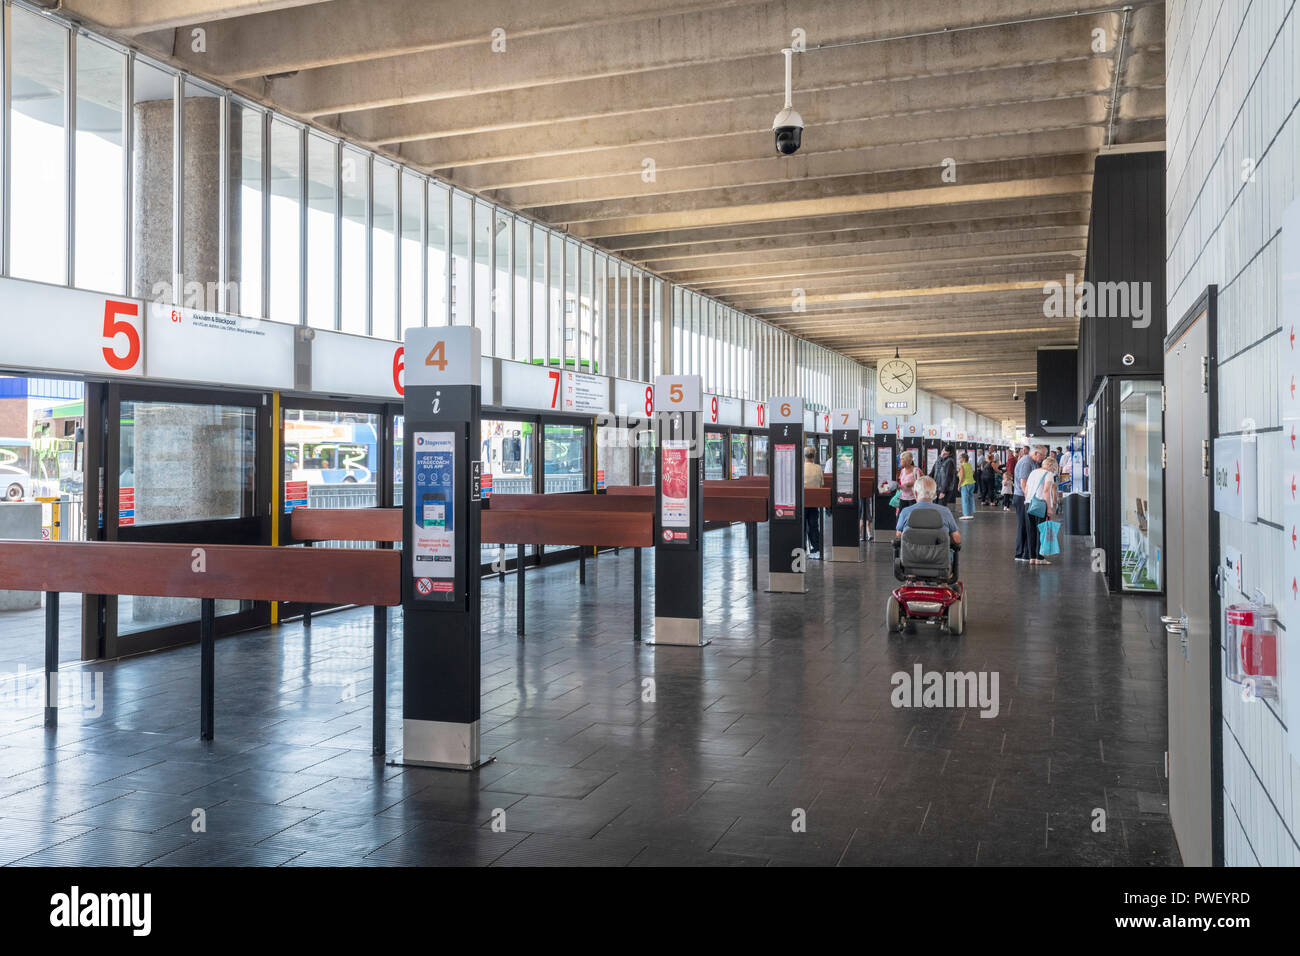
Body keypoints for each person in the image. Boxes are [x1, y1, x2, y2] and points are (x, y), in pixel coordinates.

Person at [896, 476, 962, 570]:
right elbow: (957, 539)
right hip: (940, 561)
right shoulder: (945, 512)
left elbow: (899, 536)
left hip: (911, 561)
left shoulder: (905, 512)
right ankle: (943, 583)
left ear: (915, 493)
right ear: (934, 494)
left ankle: (915, 582)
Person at [1024, 455, 1060, 565]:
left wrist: (1028, 500)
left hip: (1029, 504)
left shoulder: (1033, 472)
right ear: (1052, 466)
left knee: (1031, 532)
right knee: (1042, 531)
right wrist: (1049, 508)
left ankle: (1032, 558)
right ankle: (1040, 559)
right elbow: (1045, 492)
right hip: (1041, 505)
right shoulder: (1048, 474)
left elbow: (1026, 489)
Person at [1013, 444, 1047, 562]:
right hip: (1022, 497)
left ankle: (1026, 553)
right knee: (1023, 525)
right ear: (1036, 453)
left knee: (1027, 526)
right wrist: (1029, 499)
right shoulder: (1026, 462)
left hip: (1026, 497)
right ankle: (1020, 553)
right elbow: (1024, 483)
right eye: (1042, 455)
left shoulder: (1033, 462)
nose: (1043, 458)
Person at [803, 446, 824, 557]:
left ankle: (802, 549)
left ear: (804, 455)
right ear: (814, 456)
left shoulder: (800, 468)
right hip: (815, 501)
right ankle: (816, 549)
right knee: (814, 526)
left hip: (802, 502)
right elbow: (821, 484)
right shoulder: (818, 468)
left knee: (802, 526)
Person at [896, 450, 921, 515]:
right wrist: (897, 486)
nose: (900, 461)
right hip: (903, 497)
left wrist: (912, 484)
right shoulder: (902, 471)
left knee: (912, 517)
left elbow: (922, 483)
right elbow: (900, 482)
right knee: (900, 516)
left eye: (902, 459)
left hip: (913, 498)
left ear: (907, 461)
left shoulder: (916, 470)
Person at [957, 452, 976, 520]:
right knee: (970, 498)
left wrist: (959, 485)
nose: (959, 459)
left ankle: (965, 514)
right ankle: (970, 513)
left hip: (965, 484)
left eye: (960, 458)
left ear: (963, 459)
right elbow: (973, 472)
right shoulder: (969, 465)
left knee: (965, 499)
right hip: (972, 483)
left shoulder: (962, 466)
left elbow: (962, 477)